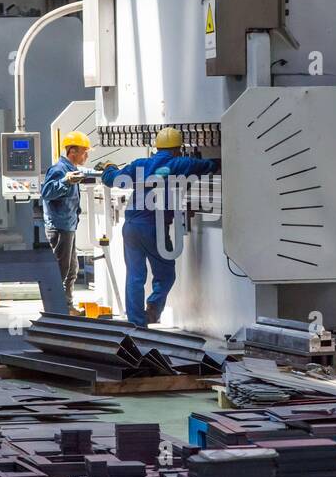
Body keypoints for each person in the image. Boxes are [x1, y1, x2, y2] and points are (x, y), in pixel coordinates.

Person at [99, 127, 219, 327]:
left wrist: (109, 167)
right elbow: (210, 165)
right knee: (165, 274)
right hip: (155, 228)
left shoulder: (140, 164)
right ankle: (153, 308)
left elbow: (111, 179)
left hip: (131, 227)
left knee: (135, 276)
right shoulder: (181, 162)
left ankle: (137, 323)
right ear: (177, 149)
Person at [41, 131, 91, 314]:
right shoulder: (59, 170)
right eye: (84, 151)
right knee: (60, 270)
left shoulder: (71, 169)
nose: (87, 155)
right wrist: (65, 181)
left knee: (71, 269)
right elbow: (47, 193)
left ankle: (67, 306)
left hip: (68, 225)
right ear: (72, 151)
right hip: (59, 227)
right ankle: (56, 309)